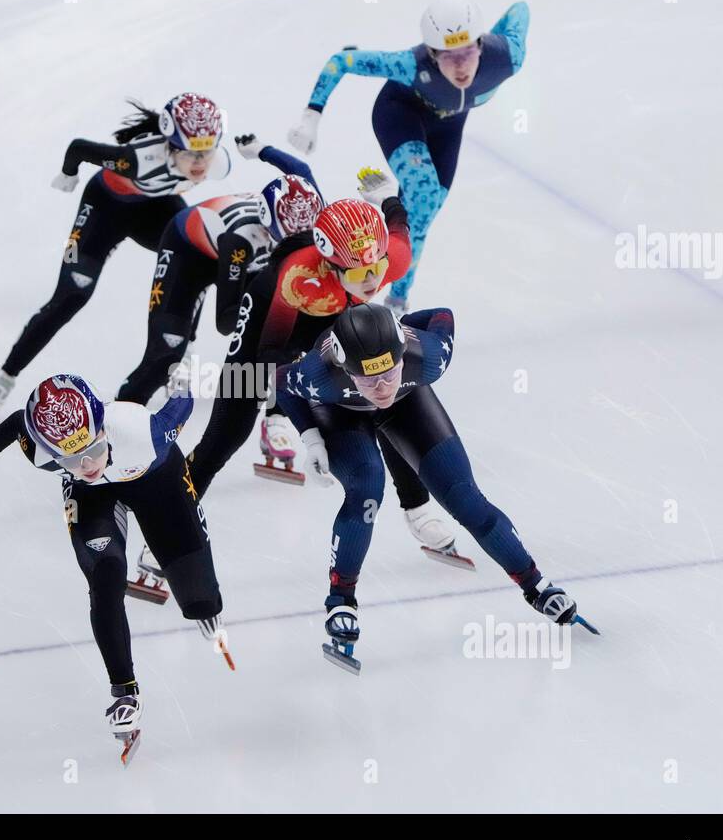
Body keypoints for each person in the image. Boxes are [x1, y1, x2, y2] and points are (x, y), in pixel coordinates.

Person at [276, 303, 595, 673]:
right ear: (346, 369)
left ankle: (536, 585)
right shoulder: (320, 375)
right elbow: (281, 381)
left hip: (409, 401)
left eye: (389, 373)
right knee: (367, 490)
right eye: (368, 379)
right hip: (341, 411)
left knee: (465, 498)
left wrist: (402, 326)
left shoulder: (428, 356)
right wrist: (312, 438)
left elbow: (442, 314)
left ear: (400, 356)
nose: (381, 388)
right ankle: (341, 601)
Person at [0, 375, 231, 763]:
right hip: (92, 499)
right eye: (72, 460)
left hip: (156, 478)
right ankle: (124, 692)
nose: (87, 464)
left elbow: (183, 405)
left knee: (200, 598)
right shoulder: (41, 450)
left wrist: (183, 383)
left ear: (103, 427)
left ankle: (200, 601)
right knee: (105, 580)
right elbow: (13, 426)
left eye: (92, 449)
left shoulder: (146, 431)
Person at [186, 169, 467, 562]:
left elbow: (399, 228)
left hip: (333, 326)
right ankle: (173, 519)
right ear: (331, 265)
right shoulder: (298, 278)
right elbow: (271, 355)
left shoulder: (389, 257)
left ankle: (417, 508)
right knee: (224, 437)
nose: (372, 282)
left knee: (382, 400)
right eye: (357, 273)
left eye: (377, 270)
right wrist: (305, 427)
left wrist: (388, 198)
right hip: (266, 342)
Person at [0, 94, 231, 429]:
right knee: (71, 297)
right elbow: (78, 148)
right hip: (104, 211)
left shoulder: (219, 161)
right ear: (169, 145)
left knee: (197, 254)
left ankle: (184, 351)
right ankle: (2, 380)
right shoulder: (135, 160)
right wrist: (68, 176)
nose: (200, 164)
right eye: (191, 154)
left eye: (206, 153)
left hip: (154, 208)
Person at [286, 0, 529, 312]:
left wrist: (489, 35)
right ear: (431, 53)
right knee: (423, 195)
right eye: (448, 56)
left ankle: (388, 287)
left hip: (448, 128)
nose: (460, 65)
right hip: (400, 114)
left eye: (468, 51)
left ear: (480, 44)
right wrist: (311, 117)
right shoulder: (411, 63)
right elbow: (341, 62)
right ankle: (389, 296)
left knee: (422, 216)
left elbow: (520, 8)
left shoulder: (507, 56)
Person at [115, 133, 323, 470]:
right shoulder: (241, 239)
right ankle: (117, 422)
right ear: (268, 226)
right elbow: (227, 321)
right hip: (190, 251)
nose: (299, 252)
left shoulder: (310, 204)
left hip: (258, 262)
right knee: (165, 352)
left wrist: (260, 150)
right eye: (289, 242)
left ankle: (277, 421)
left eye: (305, 241)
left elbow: (298, 167)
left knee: (293, 328)